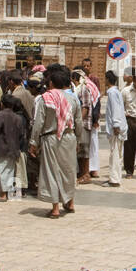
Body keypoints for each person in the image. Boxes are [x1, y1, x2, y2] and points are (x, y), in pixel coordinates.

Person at [30, 64, 79, 218]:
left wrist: (33, 142)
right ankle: (70, 202)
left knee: (51, 171)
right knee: (69, 170)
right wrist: (78, 140)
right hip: (69, 137)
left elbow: (38, 123)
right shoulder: (73, 99)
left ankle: (56, 208)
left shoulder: (46, 98)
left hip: (51, 138)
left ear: (51, 83)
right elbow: (79, 122)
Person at [0, 94, 28, 200]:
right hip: (14, 148)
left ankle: (3, 194)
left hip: (1, 147)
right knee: (10, 171)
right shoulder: (18, 118)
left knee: (2, 170)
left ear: (2, 104)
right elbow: (21, 134)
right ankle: (6, 193)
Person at [103, 70, 127, 187]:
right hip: (117, 127)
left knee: (115, 155)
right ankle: (115, 177)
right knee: (117, 154)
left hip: (116, 128)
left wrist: (116, 125)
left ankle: (114, 180)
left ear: (107, 79)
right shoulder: (115, 92)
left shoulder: (112, 93)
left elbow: (116, 109)